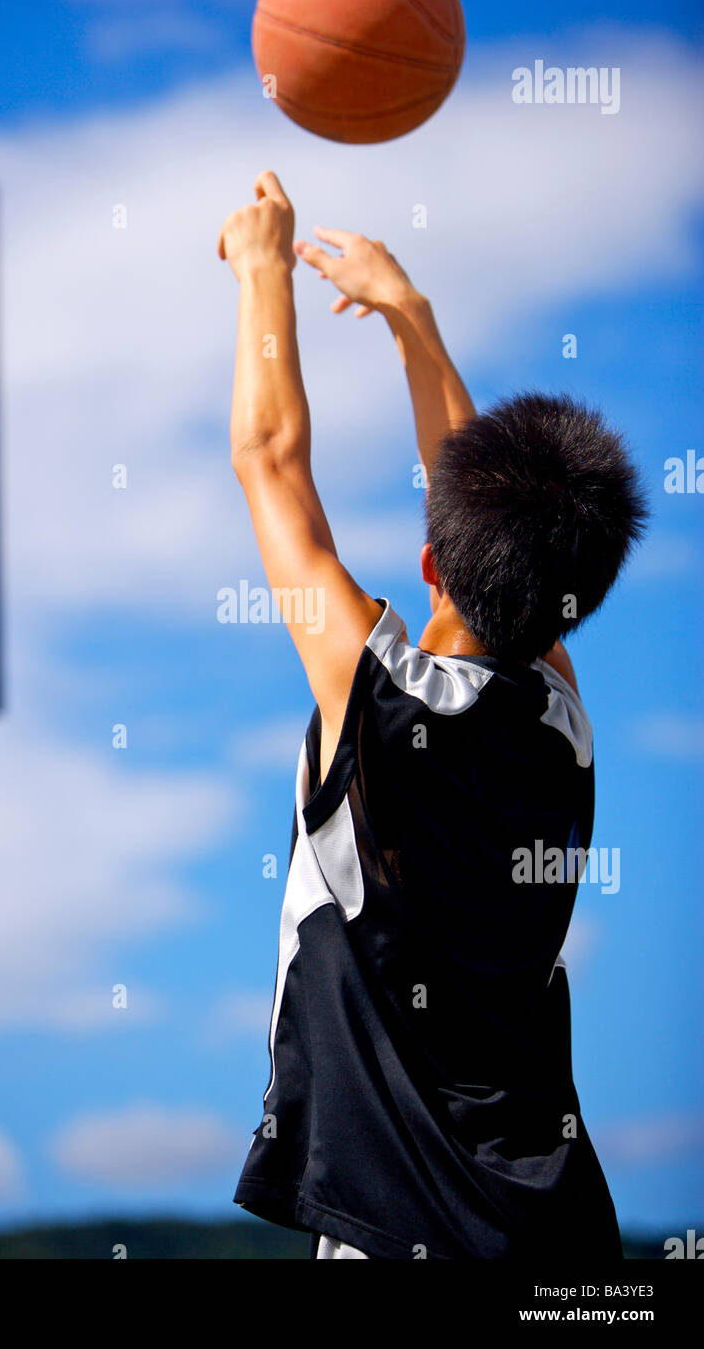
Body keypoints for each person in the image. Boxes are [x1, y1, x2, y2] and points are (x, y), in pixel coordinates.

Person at [216, 171, 647, 1260]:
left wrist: (264, 263)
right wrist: (407, 313)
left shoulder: (375, 698)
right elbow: (482, 515)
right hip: (560, 1238)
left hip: (400, 1230)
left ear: (427, 561)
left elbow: (272, 460)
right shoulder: (558, 718)